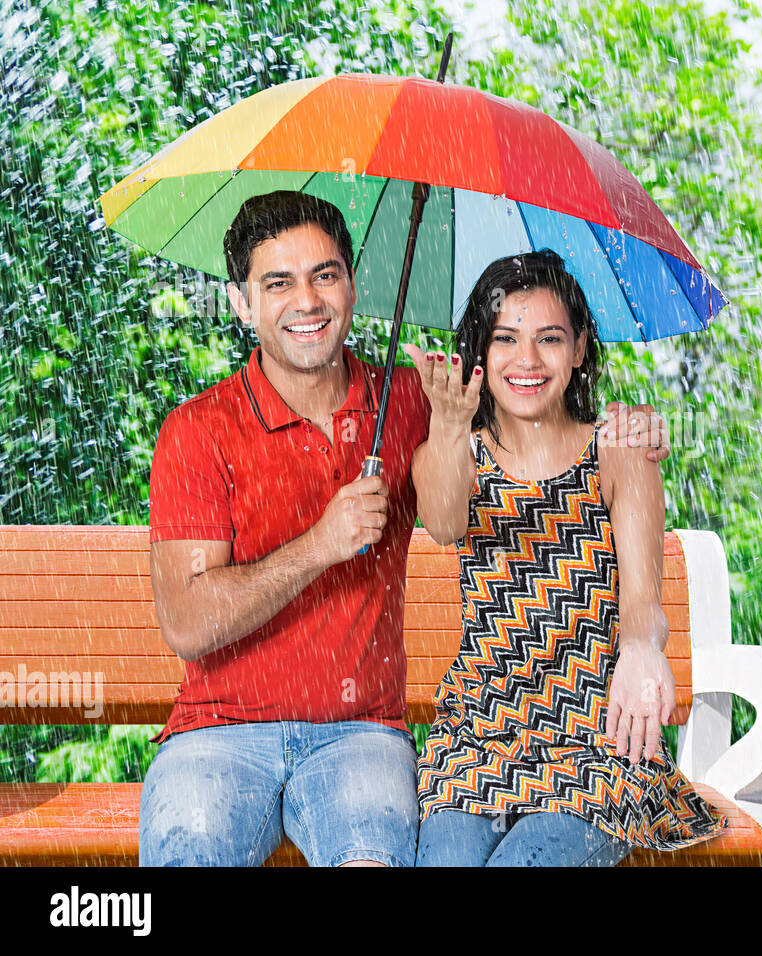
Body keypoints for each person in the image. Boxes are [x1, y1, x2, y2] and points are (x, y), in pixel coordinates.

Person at [139, 191, 669, 866]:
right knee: (188, 856)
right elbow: (186, 624)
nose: (307, 300)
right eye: (278, 283)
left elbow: (498, 457)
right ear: (243, 305)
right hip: (216, 736)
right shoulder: (198, 431)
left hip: (361, 735)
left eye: (325, 275)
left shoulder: (415, 402)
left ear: (352, 288)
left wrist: (640, 427)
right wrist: (319, 547)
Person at [405, 249, 727, 866]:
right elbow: (443, 522)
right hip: (478, 738)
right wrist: (446, 426)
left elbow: (641, 600)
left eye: (549, 339)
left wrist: (641, 650)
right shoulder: (456, 454)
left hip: (596, 743)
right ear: (482, 352)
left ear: (579, 348)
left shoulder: (619, 449)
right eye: (506, 339)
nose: (527, 361)